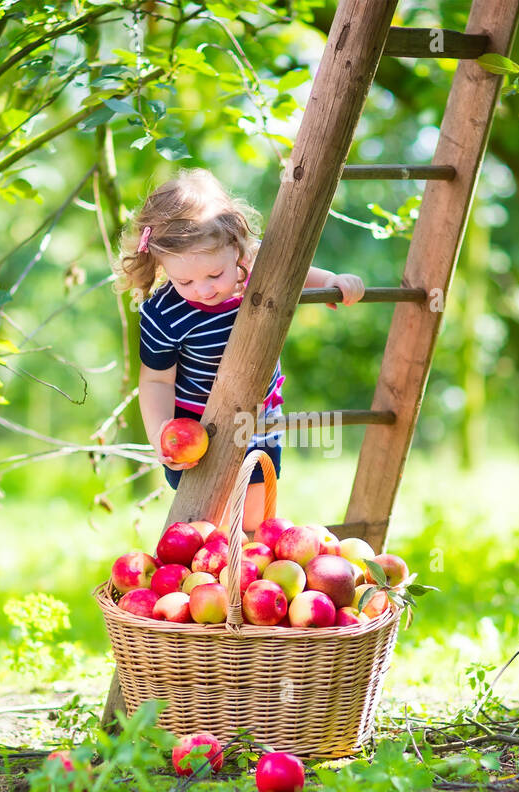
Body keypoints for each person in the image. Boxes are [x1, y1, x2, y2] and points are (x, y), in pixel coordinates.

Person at [112, 168, 364, 534]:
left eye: (214, 275)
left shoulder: (254, 268)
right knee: (204, 521)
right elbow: (155, 380)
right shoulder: (163, 313)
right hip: (197, 423)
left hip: (258, 417)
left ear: (236, 247)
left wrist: (330, 282)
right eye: (184, 280)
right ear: (162, 264)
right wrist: (159, 434)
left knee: (253, 521)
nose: (202, 289)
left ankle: (244, 576)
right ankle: (208, 582)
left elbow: (294, 271)